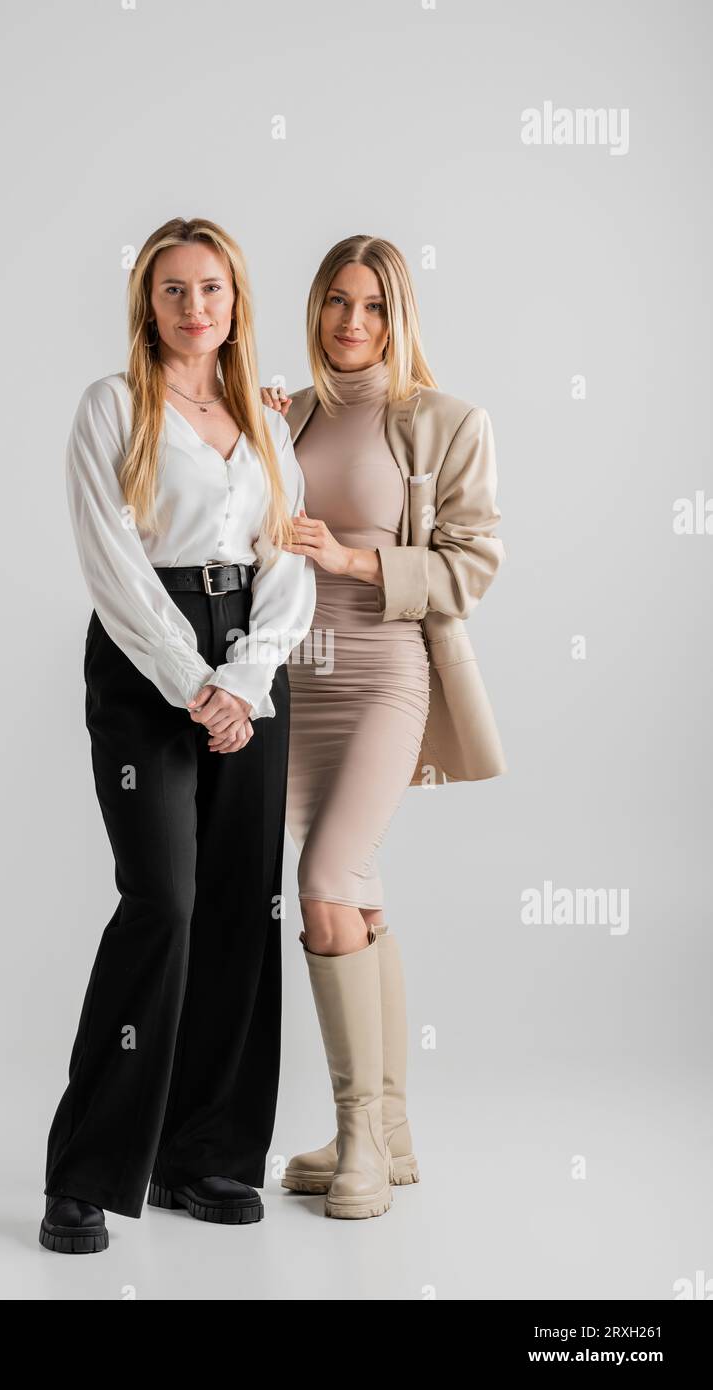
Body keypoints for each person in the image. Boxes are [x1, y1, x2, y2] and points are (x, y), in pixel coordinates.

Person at [40, 217, 315, 1252]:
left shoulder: (263, 417)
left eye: (211, 288)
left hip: (248, 654)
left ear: (235, 301)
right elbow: (110, 563)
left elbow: (287, 562)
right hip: (147, 656)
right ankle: (87, 1171)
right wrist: (195, 684)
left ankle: (204, 1158)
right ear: (146, 305)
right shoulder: (113, 406)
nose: (194, 308)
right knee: (164, 896)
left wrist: (245, 679)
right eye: (172, 291)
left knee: (245, 902)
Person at [262, 234, 506, 1219]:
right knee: (352, 890)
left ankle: (359, 1135)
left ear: (398, 316)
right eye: (335, 303)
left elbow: (473, 563)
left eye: (371, 305)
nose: (352, 323)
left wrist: (356, 561)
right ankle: (388, 1130)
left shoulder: (445, 421)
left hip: (386, 676)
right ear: (316, 308)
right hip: (300, 678)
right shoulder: (296, 413)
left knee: (321, 878)